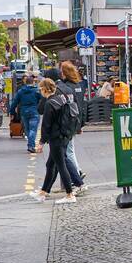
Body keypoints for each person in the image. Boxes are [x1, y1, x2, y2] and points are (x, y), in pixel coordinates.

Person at [30, 78, 76, 203]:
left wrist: (40, 143)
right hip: (65, 136)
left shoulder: (49, 104)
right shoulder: (61, 99)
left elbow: (46, 125)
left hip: (56, 139)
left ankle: (70, 194)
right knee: (50, 165)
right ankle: (43, 192)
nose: (40, 91)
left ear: (45, 89)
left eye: (40, 89)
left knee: (61, 166)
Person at [57, 61, 88, 194]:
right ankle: (75, 175)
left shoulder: (66, 87)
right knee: (69, 150)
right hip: (76, 121)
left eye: (61, 71)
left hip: (69, 123)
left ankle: (77, 174)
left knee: (68, 152)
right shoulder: (78, 85)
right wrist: (81, 123)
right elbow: (82, 105)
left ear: (64, 73)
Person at [9, 74, 42, 153]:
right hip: (34, 111)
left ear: (25, 83)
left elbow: (14, 102)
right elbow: (42, 100)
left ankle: (30, 144)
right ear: (33, 82)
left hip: (24, 112)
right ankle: (31, 146)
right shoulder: (36, 91)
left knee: (27, 129)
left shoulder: (21, 91)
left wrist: (12, 112)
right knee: (33, 129)